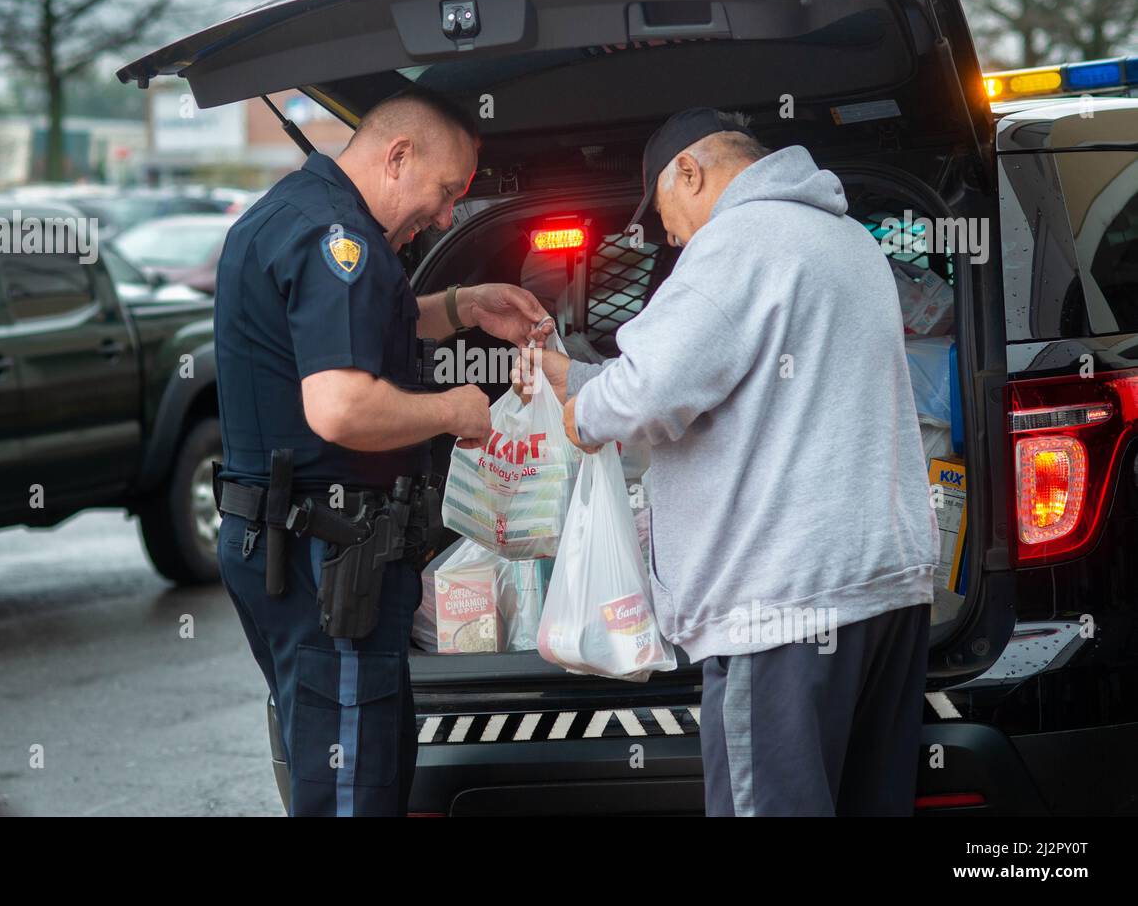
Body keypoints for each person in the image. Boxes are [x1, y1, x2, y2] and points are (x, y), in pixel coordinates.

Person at [518, 108, 939, 816]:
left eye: (665, 215)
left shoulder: (739, 240)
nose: (672, 237)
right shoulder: (842, 239)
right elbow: (736, 384)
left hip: (779, 607)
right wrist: (577, 380)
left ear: (691, 170)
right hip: (884, 592)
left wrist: (584, 415)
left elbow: (646, 394)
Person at [213, 86, 549, 817]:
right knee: (350, 789)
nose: (448, 213)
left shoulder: (294, 214)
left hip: (290, 544)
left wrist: (463, 305)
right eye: (445, 190)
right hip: (329, 560)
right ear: (398, 156)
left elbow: (356, 324)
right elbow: (340, 406)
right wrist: (454, 411)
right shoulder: (343, 242)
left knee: (361, 765)